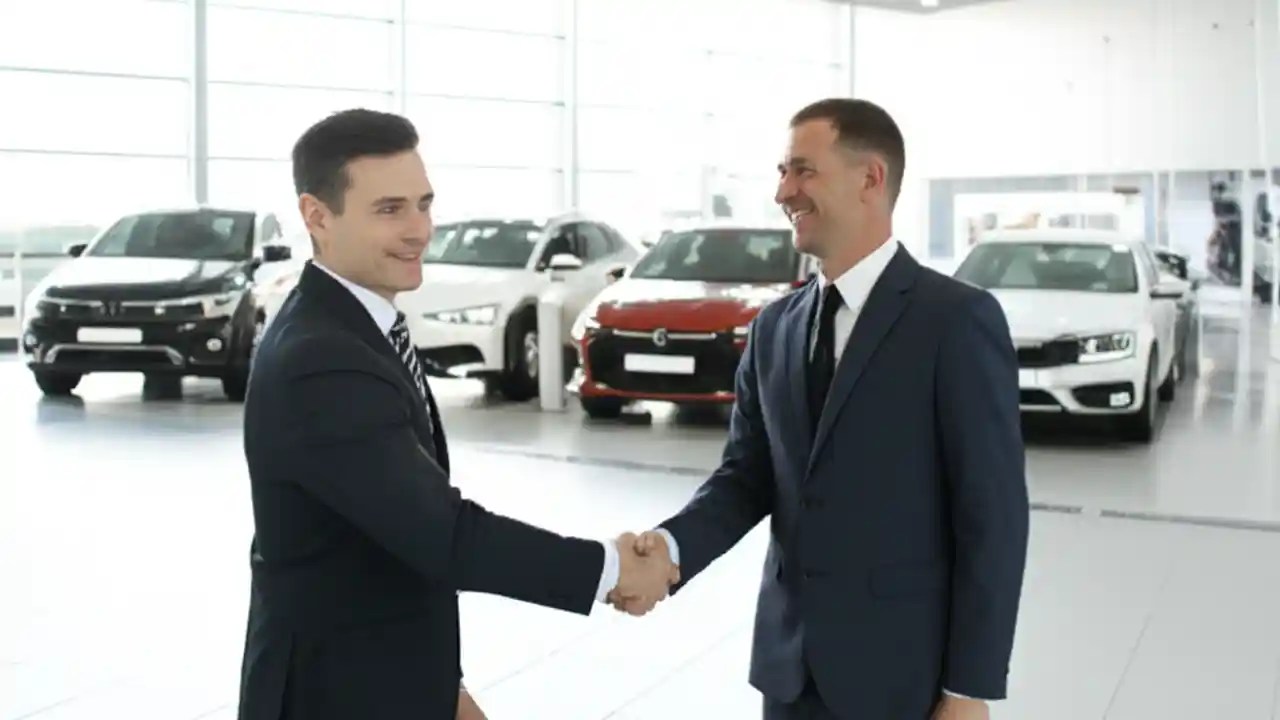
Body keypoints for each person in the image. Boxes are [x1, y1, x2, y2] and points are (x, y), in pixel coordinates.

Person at [236, 109, 677, 720]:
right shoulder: (322, 356)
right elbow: (442, 533)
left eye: (424, 203)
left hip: (385, 671)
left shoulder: (358, 323)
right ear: (317, 216)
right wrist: (609, 569)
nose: (420, 229)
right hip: (334, 691)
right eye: (390, 210)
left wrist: (440, 684)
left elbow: (382, 531)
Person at [618, 98, 1030, 720]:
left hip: (903, 678)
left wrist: (968, 687)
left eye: (802, 170)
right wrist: (670, 552)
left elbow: (992, 517)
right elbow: (747, 478)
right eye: (782, 172)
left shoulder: (954, 321)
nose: (784, 191)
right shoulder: (774, 327)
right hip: (789, 672)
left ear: (871, 178)